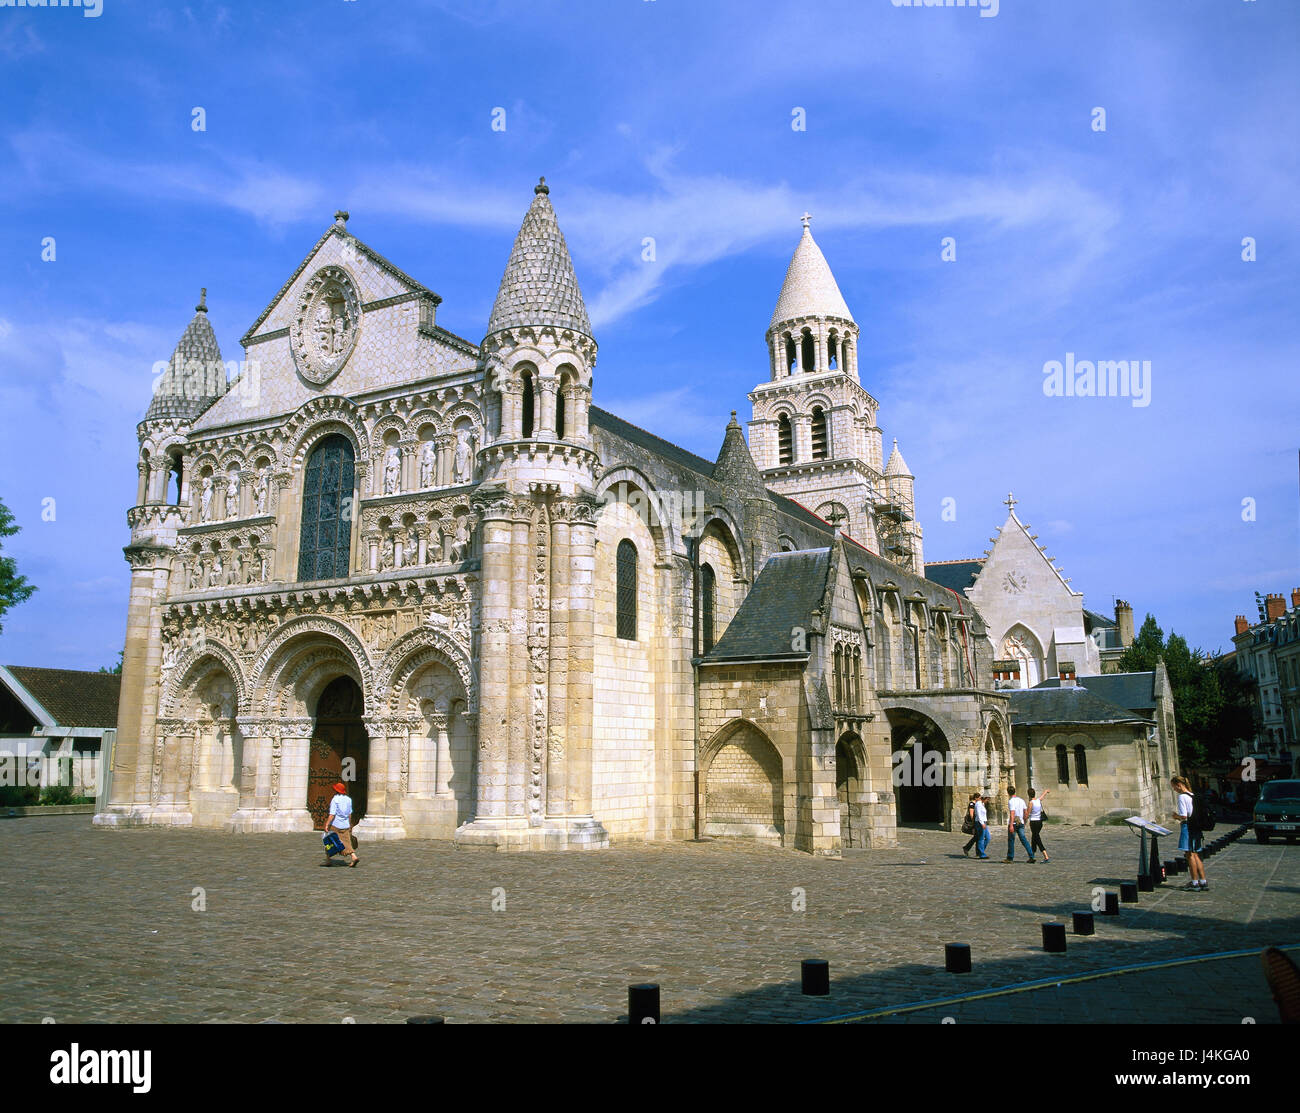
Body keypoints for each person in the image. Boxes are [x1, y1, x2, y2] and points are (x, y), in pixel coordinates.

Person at [1172, 775, 1206, 891]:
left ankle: (1194, 882)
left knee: (1189, 855)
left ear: (1179, 785)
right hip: (1196, 827)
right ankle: (1203, 881)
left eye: (1174, 787)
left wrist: (1175, 816)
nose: (1174, 790)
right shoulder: (1193, 795)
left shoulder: (1182, 797)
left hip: (1188, 827)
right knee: (1196, 854)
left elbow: (1183, 816)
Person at [324, 780, 359, 867]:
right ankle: (353, 856)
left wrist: (327, 824)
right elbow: (350, 813)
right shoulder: (348, 799)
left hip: (335, 825)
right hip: (345, 824)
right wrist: (350, 824)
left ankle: (328, 859)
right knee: (347, 842)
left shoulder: (335, 800)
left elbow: (332, 814)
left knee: (330, 841)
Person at [1004, 785, 1036, 862]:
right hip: (1020, 822)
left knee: (1011, 840)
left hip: (1014, 822)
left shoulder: (1011, 801)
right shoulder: (1021, 800)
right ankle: (1031, 855)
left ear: (1008, 793)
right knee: (1024, 839)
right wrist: (1024, 821)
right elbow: (1025, 812)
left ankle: (1010, 857)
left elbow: (1012, 813)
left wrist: (1011, 825)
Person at [1027, 787, 1051, 862]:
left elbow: (1028, 813)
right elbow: (1042, 797)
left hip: (1034, 822)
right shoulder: (1038, 801)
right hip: (1039, 822)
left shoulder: (1031, 803)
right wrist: (1046, 791)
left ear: (1029, 795)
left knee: (1037, 839)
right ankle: (1032, 856)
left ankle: (1046, 856)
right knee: (1034, 838)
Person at [962, 791, 980, 857]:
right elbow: (971, 813)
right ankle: (977, 852)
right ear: (976, 798)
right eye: (979, 798)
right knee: (977, 836)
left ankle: (967, 848)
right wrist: (974, 821)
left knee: (977, 836)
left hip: (976, 821)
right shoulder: (972, 804)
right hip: (973, 822)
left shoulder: (976, 804)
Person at [973, 793, 991, 859]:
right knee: (981, 838)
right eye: (987, 799)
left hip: (984, 822)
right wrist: (982, 823)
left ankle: (980, 851)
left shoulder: (982, 804)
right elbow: (978, 814)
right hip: (980, 822)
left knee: (988, 837)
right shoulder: (978, 804)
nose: (987, 801)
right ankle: (981, 854)